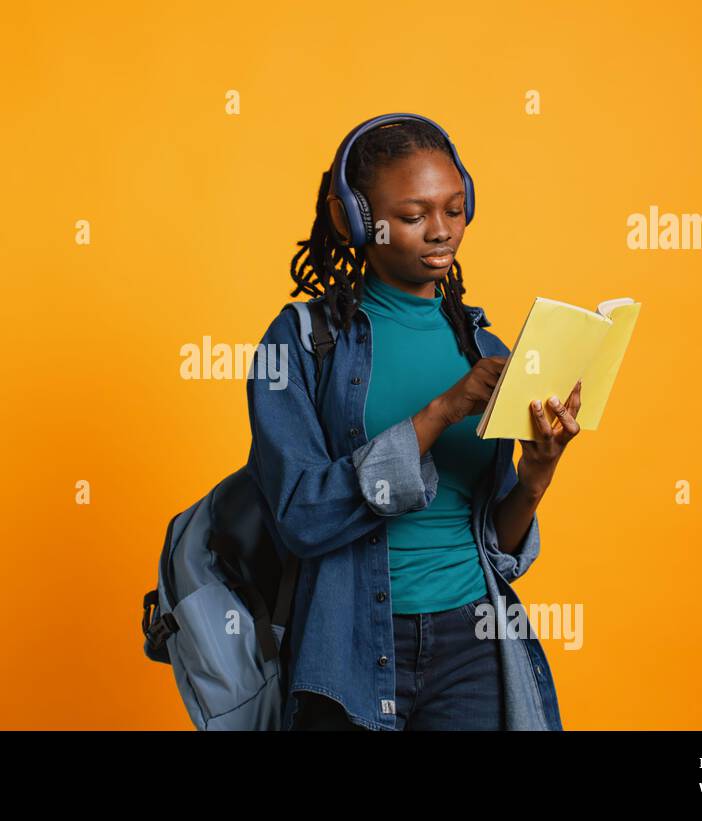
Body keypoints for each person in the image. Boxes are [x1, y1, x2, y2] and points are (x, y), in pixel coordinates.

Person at [245, 114, 579, 731]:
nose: (441, 232)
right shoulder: (299, 343)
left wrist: (535, 477)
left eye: (455, 210)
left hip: (474, 644)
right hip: (349, 645)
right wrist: (441, 412)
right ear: (352, 219)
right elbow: (301, 515)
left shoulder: (485, 347)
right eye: (413, 215)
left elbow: (496, 545)